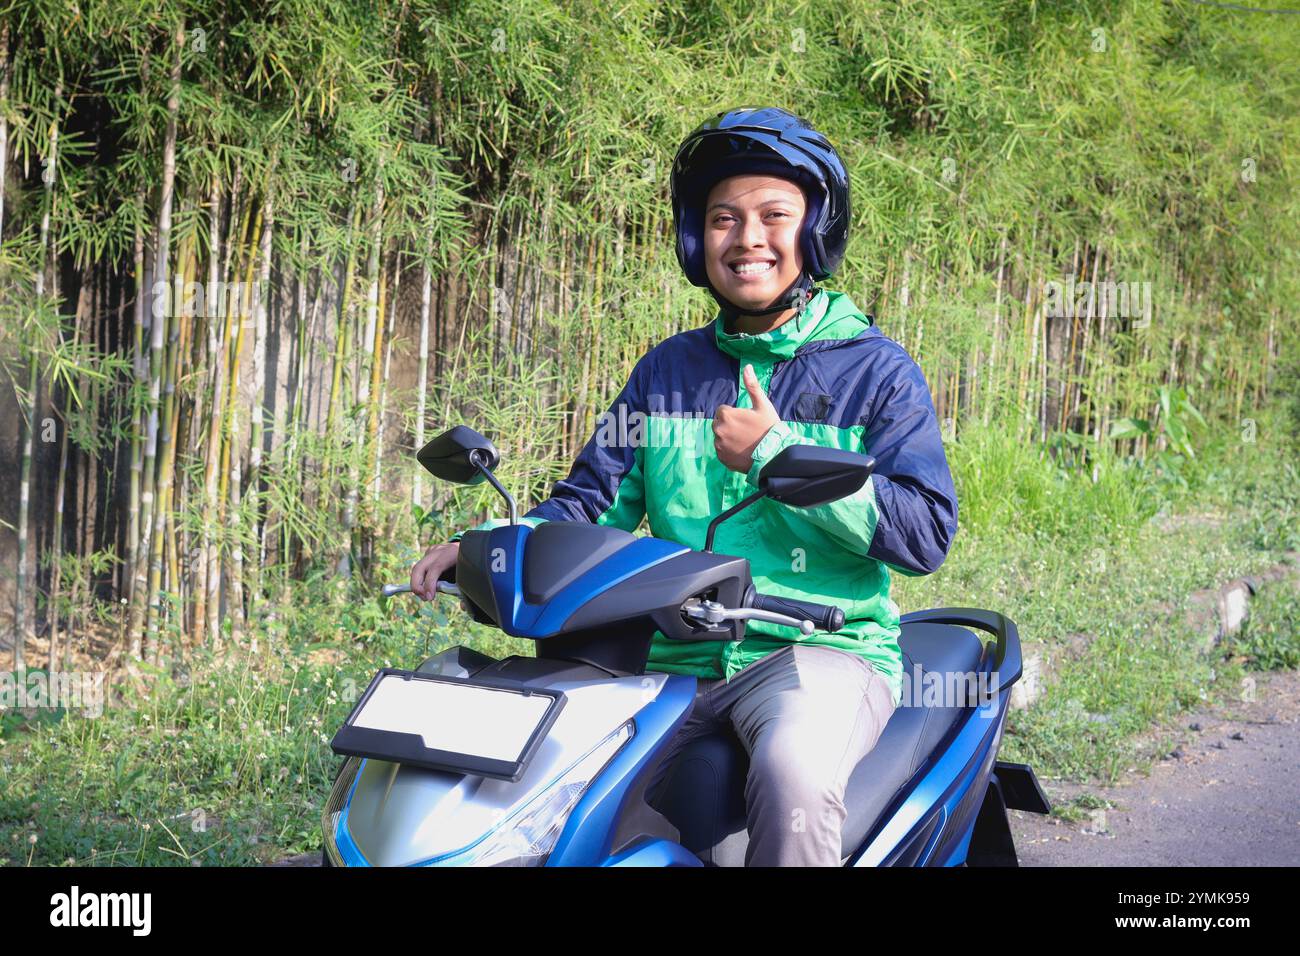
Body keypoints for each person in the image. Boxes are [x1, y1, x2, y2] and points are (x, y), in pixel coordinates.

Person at [410, 107, 958, 866]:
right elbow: (590, 498)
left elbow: (924, 534)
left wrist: (776, 456)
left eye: (775, 216)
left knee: (794, 772)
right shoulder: (669, 372)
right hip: (671, 655)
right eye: (725, 218)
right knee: (537, 781)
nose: (749, 239)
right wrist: (495, 545)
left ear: (816, 232)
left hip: (820, 650)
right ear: (700, 238)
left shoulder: (875, 373)